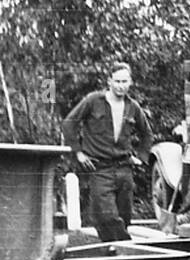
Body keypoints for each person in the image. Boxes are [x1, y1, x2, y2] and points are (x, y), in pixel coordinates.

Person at [61, 62, 155, 242]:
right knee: (105, 215)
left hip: (124, 169)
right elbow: (69, 123)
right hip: (100, 168)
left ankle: (114, 253)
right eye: (117, 81)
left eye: (125, 81)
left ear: (130, 83)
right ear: (109, 81)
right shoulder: (93, 101)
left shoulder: (132, 107)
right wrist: (79, 152)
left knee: (124, 216)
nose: (121, 86)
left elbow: (147, 134)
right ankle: (126, 250)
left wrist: (141, 158)